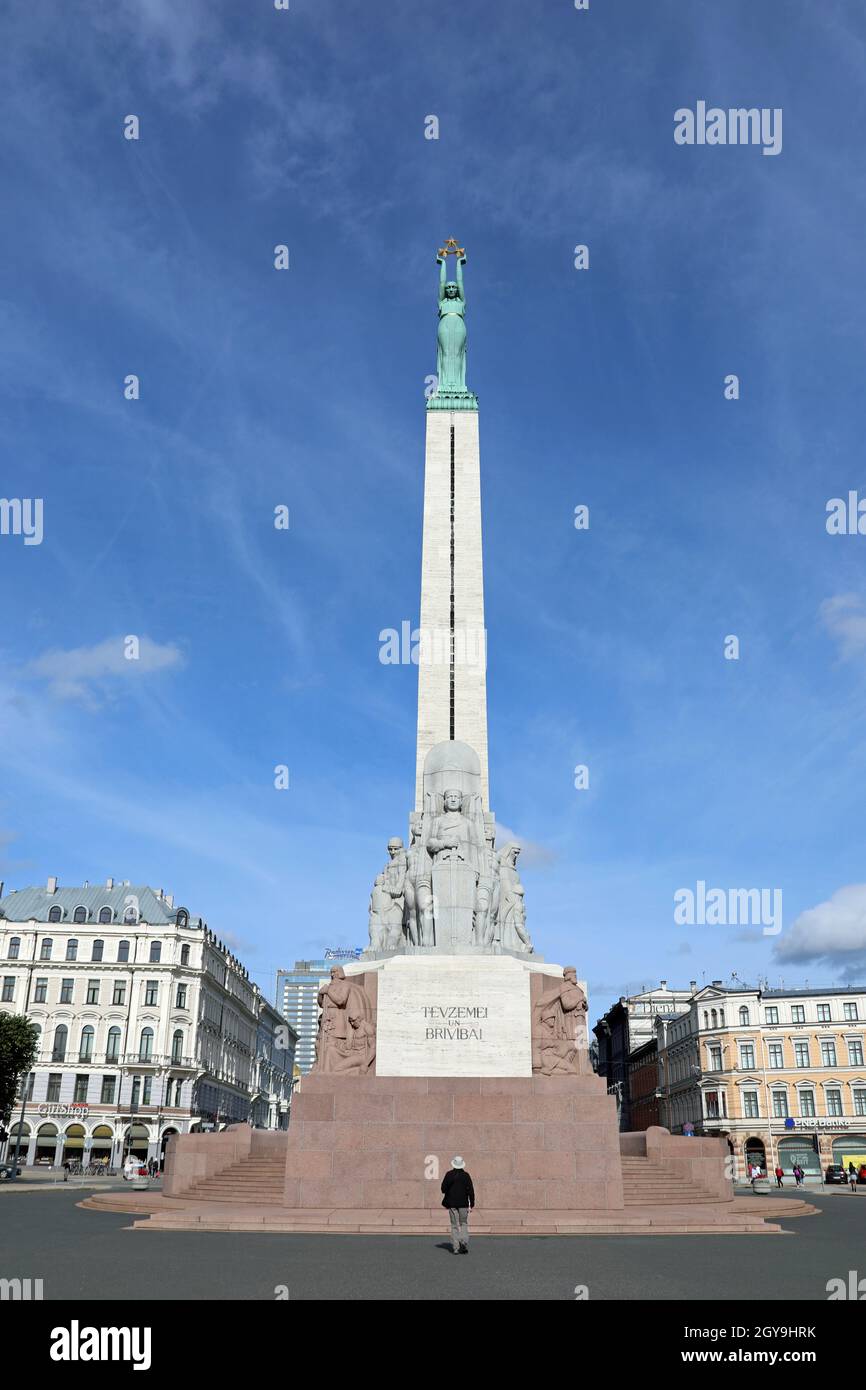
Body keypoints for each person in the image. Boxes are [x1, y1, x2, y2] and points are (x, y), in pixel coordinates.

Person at [441, 1155, 475, 1254]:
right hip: (463, 1204)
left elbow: (443, 1189)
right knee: (463, 1223)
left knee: (454, 1225)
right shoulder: (466, 1175)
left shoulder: (449, 1175)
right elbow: (471, 1191)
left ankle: (456, 1248)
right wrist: (471, 1203)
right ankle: (463, 1242)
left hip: (452, 1204)